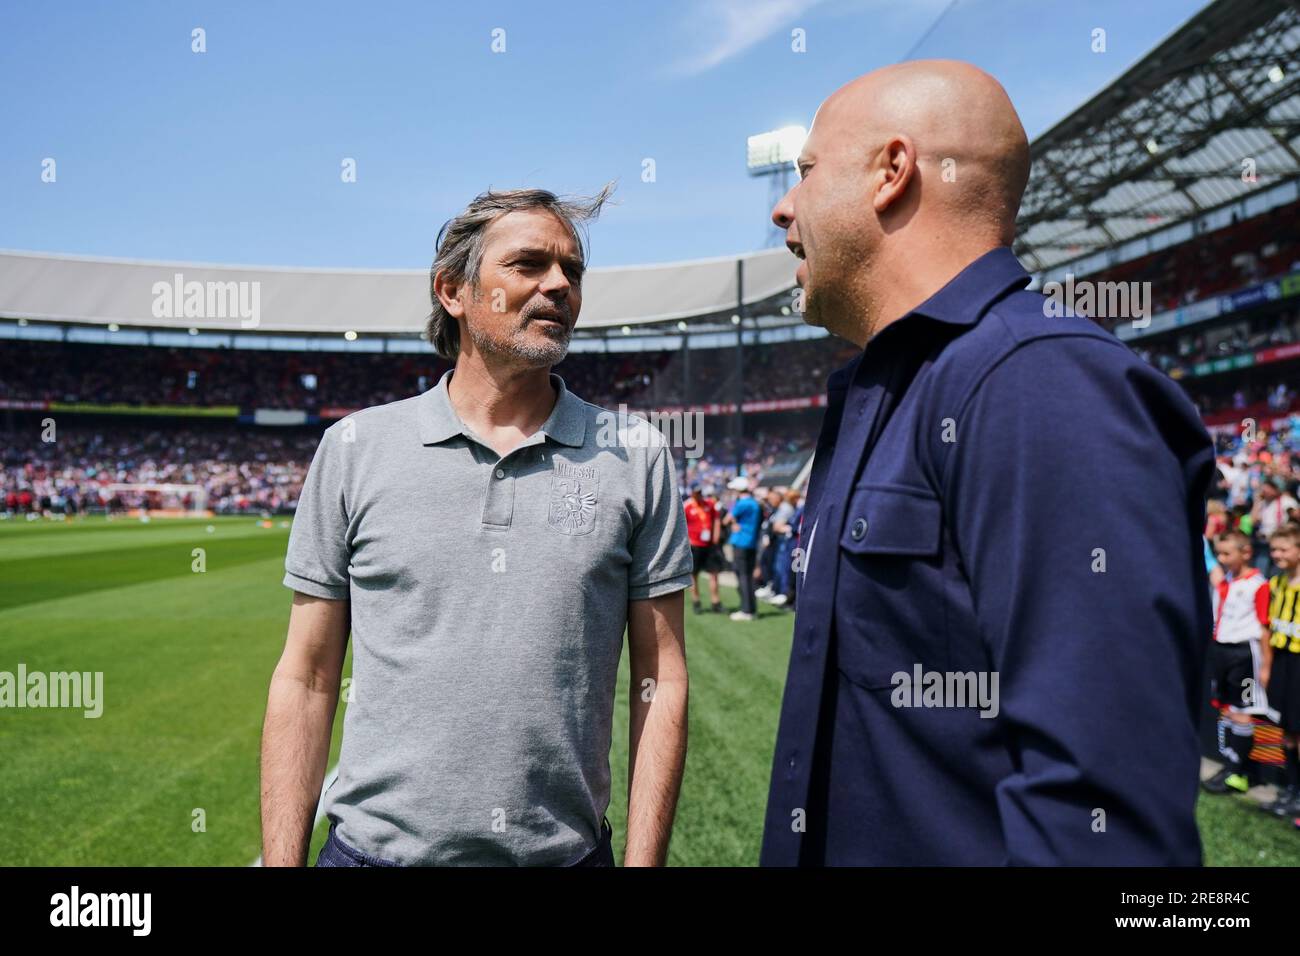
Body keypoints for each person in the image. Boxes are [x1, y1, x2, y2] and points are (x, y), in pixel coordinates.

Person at [761, 60, 1215, 865]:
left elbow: (1100, 814)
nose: (782, 207)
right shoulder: (894, 387)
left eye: (804, 173)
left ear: (891, 173)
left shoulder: (1038, 384)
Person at [260, 186, 693, 867]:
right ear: (453, 292)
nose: (558, 285)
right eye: (528, 264)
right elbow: (308, 677)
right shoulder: (354, 449)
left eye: (572, 271)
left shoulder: (636, 456)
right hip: (370, 856)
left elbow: (662, 679)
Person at [1202, 531, 1273, 795]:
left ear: (1245, 553)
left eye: (1227, 554)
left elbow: (1264, 627)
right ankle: (1231, 764)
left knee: (1243, 709)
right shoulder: (1226, 579)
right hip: (1221, 651)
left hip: (1244, 654)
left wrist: (1265, 665)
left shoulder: (1258, 584)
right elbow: (1209, 563)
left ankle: (1238, 773)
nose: (1222, 559)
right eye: (1219, 554)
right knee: (1228, 709)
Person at [1263, 525, 1300, 817]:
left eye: (1283, 549)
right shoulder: (1276, 584)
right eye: (1273, 549)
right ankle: (1291, 789)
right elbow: (1266, 628)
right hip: (1283, 662)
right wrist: (1266, 664)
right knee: (1287, 730)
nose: (1276, 555)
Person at [724, 477, 762, 621]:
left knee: (743, 577)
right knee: (748, 577)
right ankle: (751, 609)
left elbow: (726, 519)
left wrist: (733, 522)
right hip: (751, 542)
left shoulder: (741, 503)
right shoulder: (754, 503)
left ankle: (746, 610)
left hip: (741, 543)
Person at [684, 481, 724, 614]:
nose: (699, 495)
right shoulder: (687, 506)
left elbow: (717, 519)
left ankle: (715, 601)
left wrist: (716, 535)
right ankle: (696, 601)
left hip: (710, 546)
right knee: (693, 574)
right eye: (696, 492)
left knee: (714, 573)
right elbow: (682, 525)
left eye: (700, 492)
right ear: (692, 493)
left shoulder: (710, 504)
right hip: (694, 545)